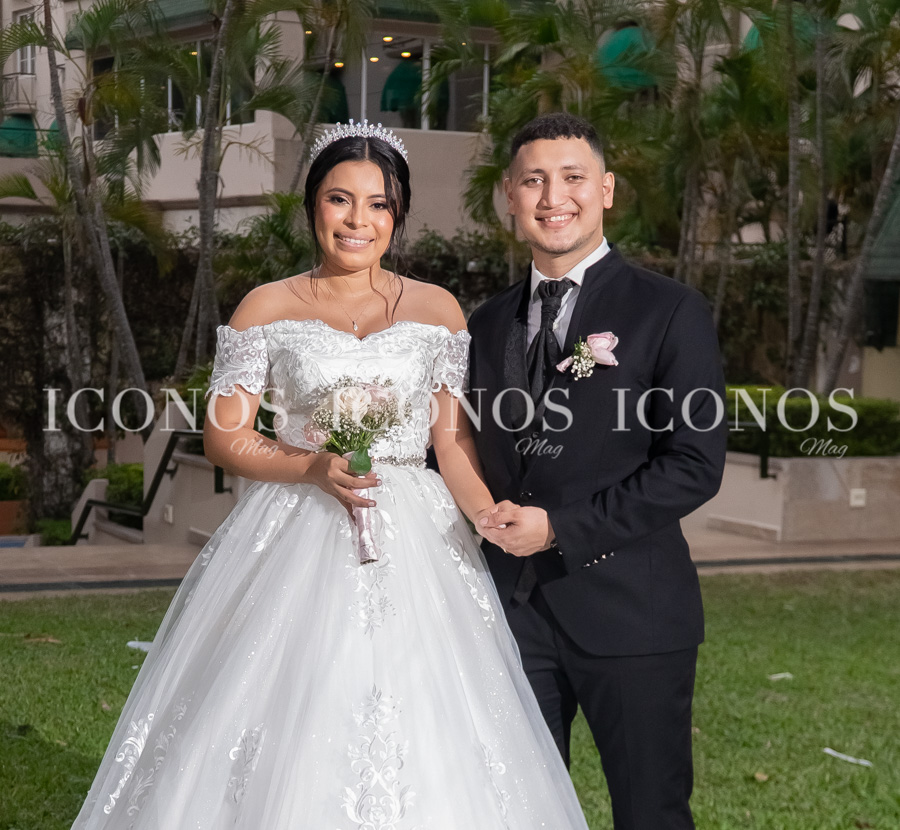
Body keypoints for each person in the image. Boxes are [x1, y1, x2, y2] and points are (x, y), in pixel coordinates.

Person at [70, 121, 589, 830]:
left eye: (378, 204)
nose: (358, 221)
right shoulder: (267, 306)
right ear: (313, 204)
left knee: (428, 703)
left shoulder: (437, 310)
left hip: (417, 531)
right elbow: (226, 435)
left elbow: (451, 435)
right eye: (340, 200)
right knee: (293, 698)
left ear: (397, 214)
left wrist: (484, 512)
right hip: (298, 523)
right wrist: (313, 465)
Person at [469, 112, 728, 830]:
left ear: (606, 190)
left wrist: (560, 529)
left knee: (650, 814)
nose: (555, 196)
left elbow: (694, 465)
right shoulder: (484, 324)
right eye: (534, 181)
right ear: (511, 198)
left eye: (573, 177)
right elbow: (457, 451)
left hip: (634, 617)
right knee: (518, 812)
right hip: (510, 620)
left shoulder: (671, 310)